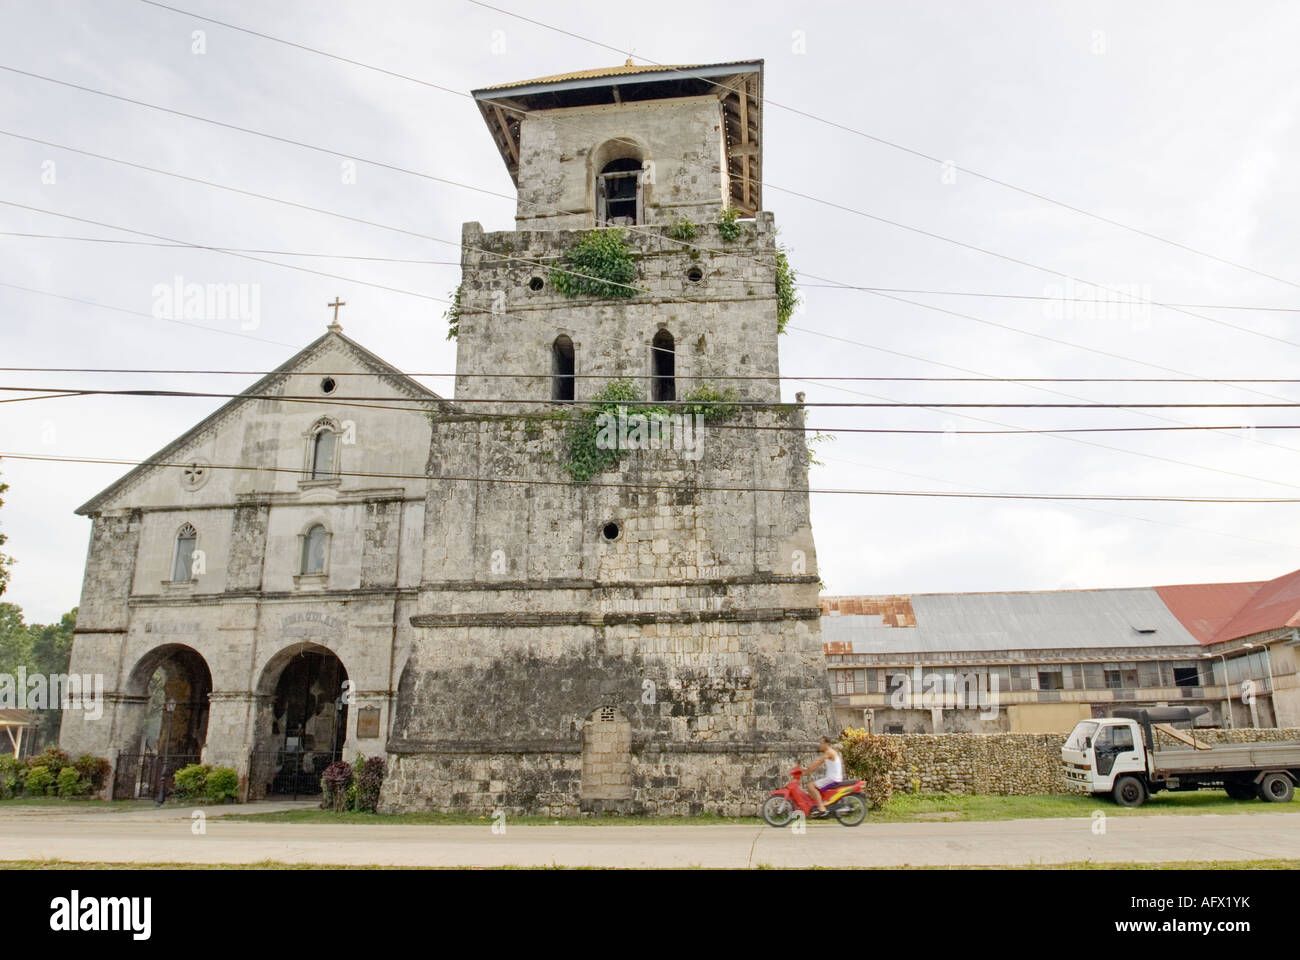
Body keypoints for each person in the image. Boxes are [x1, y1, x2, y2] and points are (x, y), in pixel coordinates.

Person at [803, 736, 843, 817]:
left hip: (833, 779)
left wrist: (807, 769)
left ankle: (821, 808)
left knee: (811, 786)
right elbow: (817, 764)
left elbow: (818, 761)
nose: (820, 745)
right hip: (832, 778)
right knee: (814, 786)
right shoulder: (830, 752)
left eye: (821, 743)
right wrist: (808, 770)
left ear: (827, 744)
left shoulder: (829, 752)